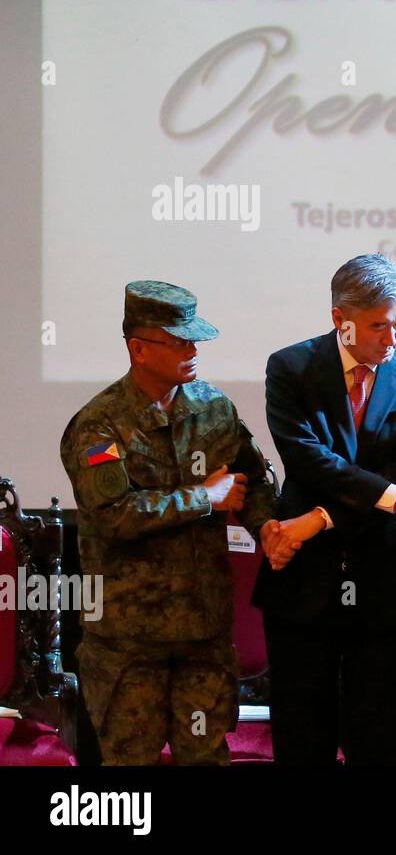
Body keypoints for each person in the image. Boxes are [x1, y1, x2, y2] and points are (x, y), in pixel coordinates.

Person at [59, 280, 282, 764]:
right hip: (128, 641)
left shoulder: (213, 408)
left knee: (205, 758)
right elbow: (113, 515)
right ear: (138, 349)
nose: (192, 350)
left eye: (194, 341)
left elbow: (254, 481)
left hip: (203, 632)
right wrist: (204, 497)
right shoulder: (99, 426)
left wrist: (266, 526)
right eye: (179, 342)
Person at [255, 254, 396, 765]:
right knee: (302, 738)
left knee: (382, 738)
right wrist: (393, 498)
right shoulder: (291, 368)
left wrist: (317, 520)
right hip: (302, 582)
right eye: (377, 326)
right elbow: (308, 461)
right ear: (339, 319)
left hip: (383, 581)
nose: (392, 338)